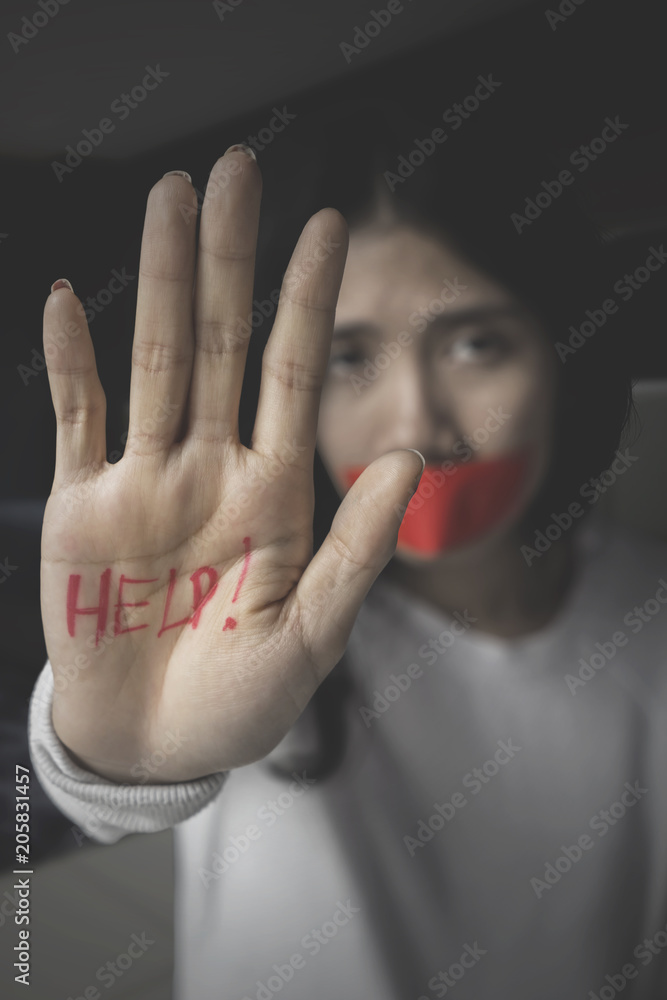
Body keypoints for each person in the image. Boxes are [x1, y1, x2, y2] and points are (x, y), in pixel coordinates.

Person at [28, 99, 667, 999]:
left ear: (566, 354)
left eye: (476, 343)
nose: (416, 424)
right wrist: (103, 762)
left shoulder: (648, 624)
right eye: (348, 357)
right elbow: (26, 828)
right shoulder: (236, 613)